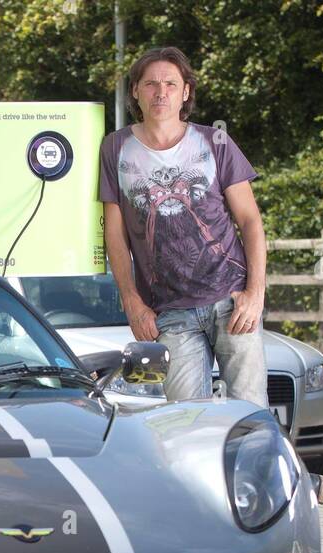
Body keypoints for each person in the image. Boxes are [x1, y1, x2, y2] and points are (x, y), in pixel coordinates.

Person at [98, 46, 268, 407]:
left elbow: (251, 221)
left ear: (186, 92)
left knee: (251, 413)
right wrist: (132, 302)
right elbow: (115, 234)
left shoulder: (215, 141)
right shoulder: (115, 148)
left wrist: (255, 294)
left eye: (171, 84)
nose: (161, 93)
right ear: (135, 92)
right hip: (169, 310)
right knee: (185, 422)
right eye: (151, 84)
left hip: (231, 299)